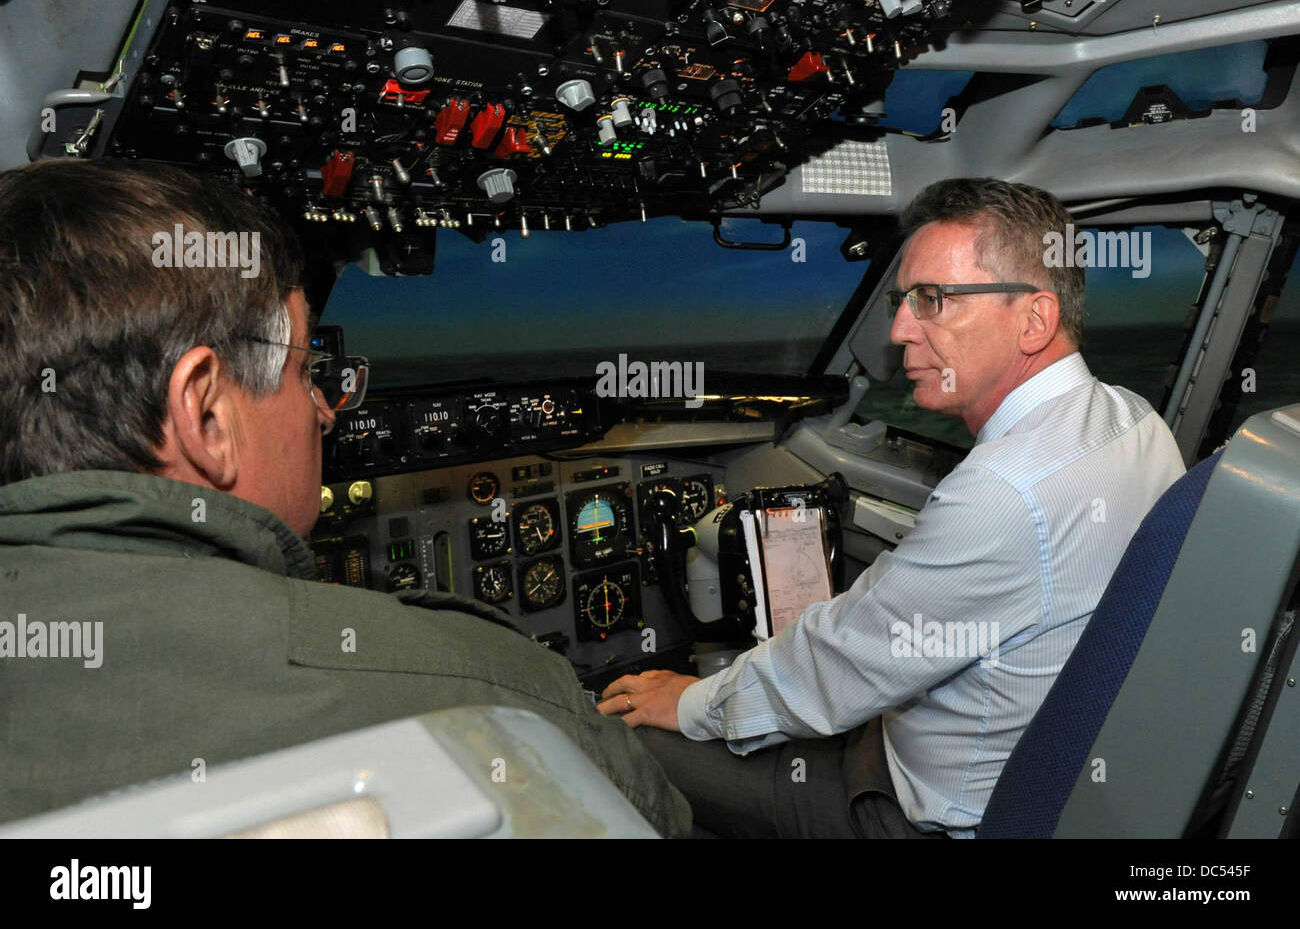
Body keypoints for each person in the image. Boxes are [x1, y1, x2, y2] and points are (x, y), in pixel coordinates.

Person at [0, 157, 690, 836]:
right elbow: (654, 817)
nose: (326, 412)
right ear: (205, 418)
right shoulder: (478, 688)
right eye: (309, 370)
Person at [597, 177, 1186, 838]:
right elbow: (887, 619)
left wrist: (694, 700)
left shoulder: (1005, 490)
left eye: (933, 300)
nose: (901, 329)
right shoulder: (1134, 419)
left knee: (622, 745)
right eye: (903, 301)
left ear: (1034, 320)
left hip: (927, 814)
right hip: (1044, 767)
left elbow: (841, 667)